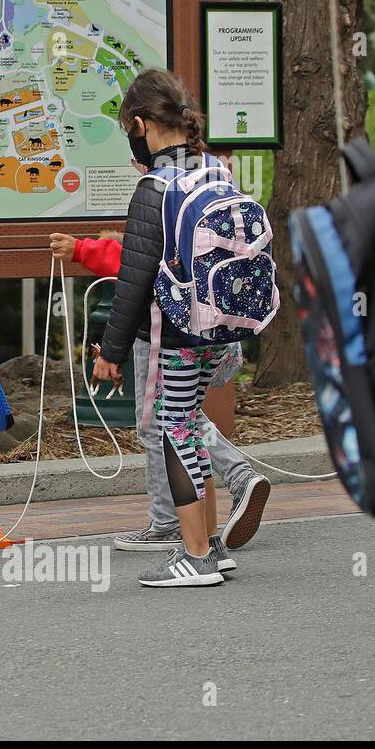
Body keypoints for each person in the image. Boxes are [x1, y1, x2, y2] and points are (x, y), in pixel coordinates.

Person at [91, 68, 249, 587]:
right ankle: (212, 545)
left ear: (140, 125)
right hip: (220, 330)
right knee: (189, 427)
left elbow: (133, 281)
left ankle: (196, 555)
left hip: (174, 336)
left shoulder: (153, 188)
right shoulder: (217, 172)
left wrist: (110, 351)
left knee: (173, 430)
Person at [50, 229, 270, 552]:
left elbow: (134, 264)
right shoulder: (195, 194)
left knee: (159, 425)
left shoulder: (156, 187)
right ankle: (232, 489)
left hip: (161, 334)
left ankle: (170, 524)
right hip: (204, 327)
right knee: (185, 418)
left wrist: (82, 250)